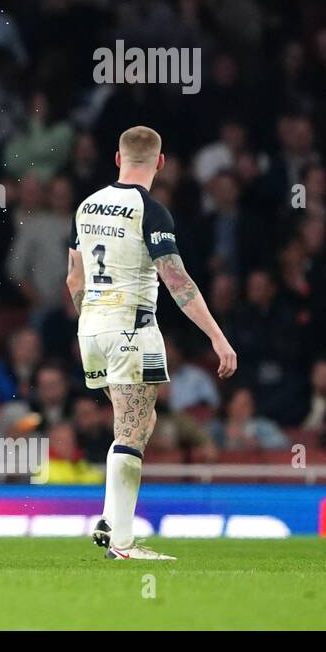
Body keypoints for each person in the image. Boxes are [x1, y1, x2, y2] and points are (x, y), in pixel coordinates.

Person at [67, 126, 237, 561]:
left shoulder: (86, 206)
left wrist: (90, 317)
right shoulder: (151, 210)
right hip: (132, 327)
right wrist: (217, 337)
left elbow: (74, 278)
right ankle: (121, 542)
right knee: (133, 428)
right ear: (159, 163)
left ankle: (110, 520)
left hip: (92, 328)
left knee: (138, 423)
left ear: (117, 157)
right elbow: (177, 282)